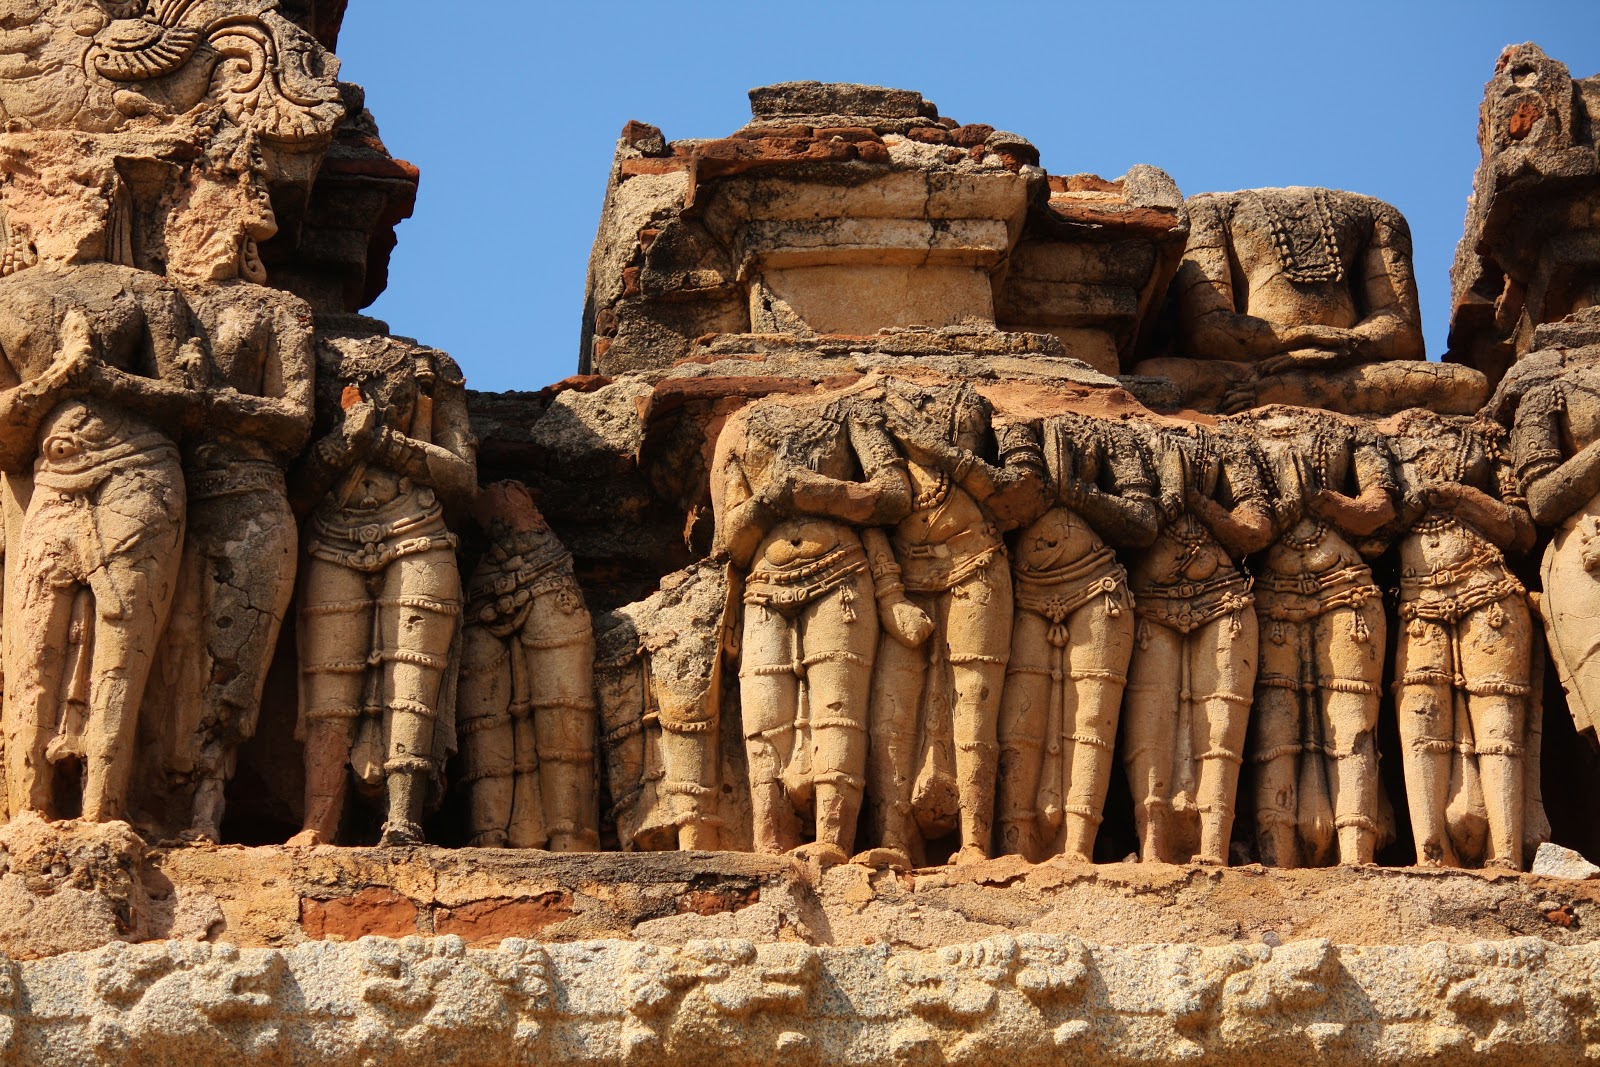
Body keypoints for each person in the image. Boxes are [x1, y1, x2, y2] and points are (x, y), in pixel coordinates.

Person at [288, 331, 476, 847]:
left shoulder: (431, 367)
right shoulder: (317, 357)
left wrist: (384, 443)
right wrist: (342, 443)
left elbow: (463, 478)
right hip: (332, 537)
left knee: (413, 681)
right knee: (328, 692)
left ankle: (404, 819)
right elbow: (297, 489)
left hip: (418, 530)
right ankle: (318, 822)